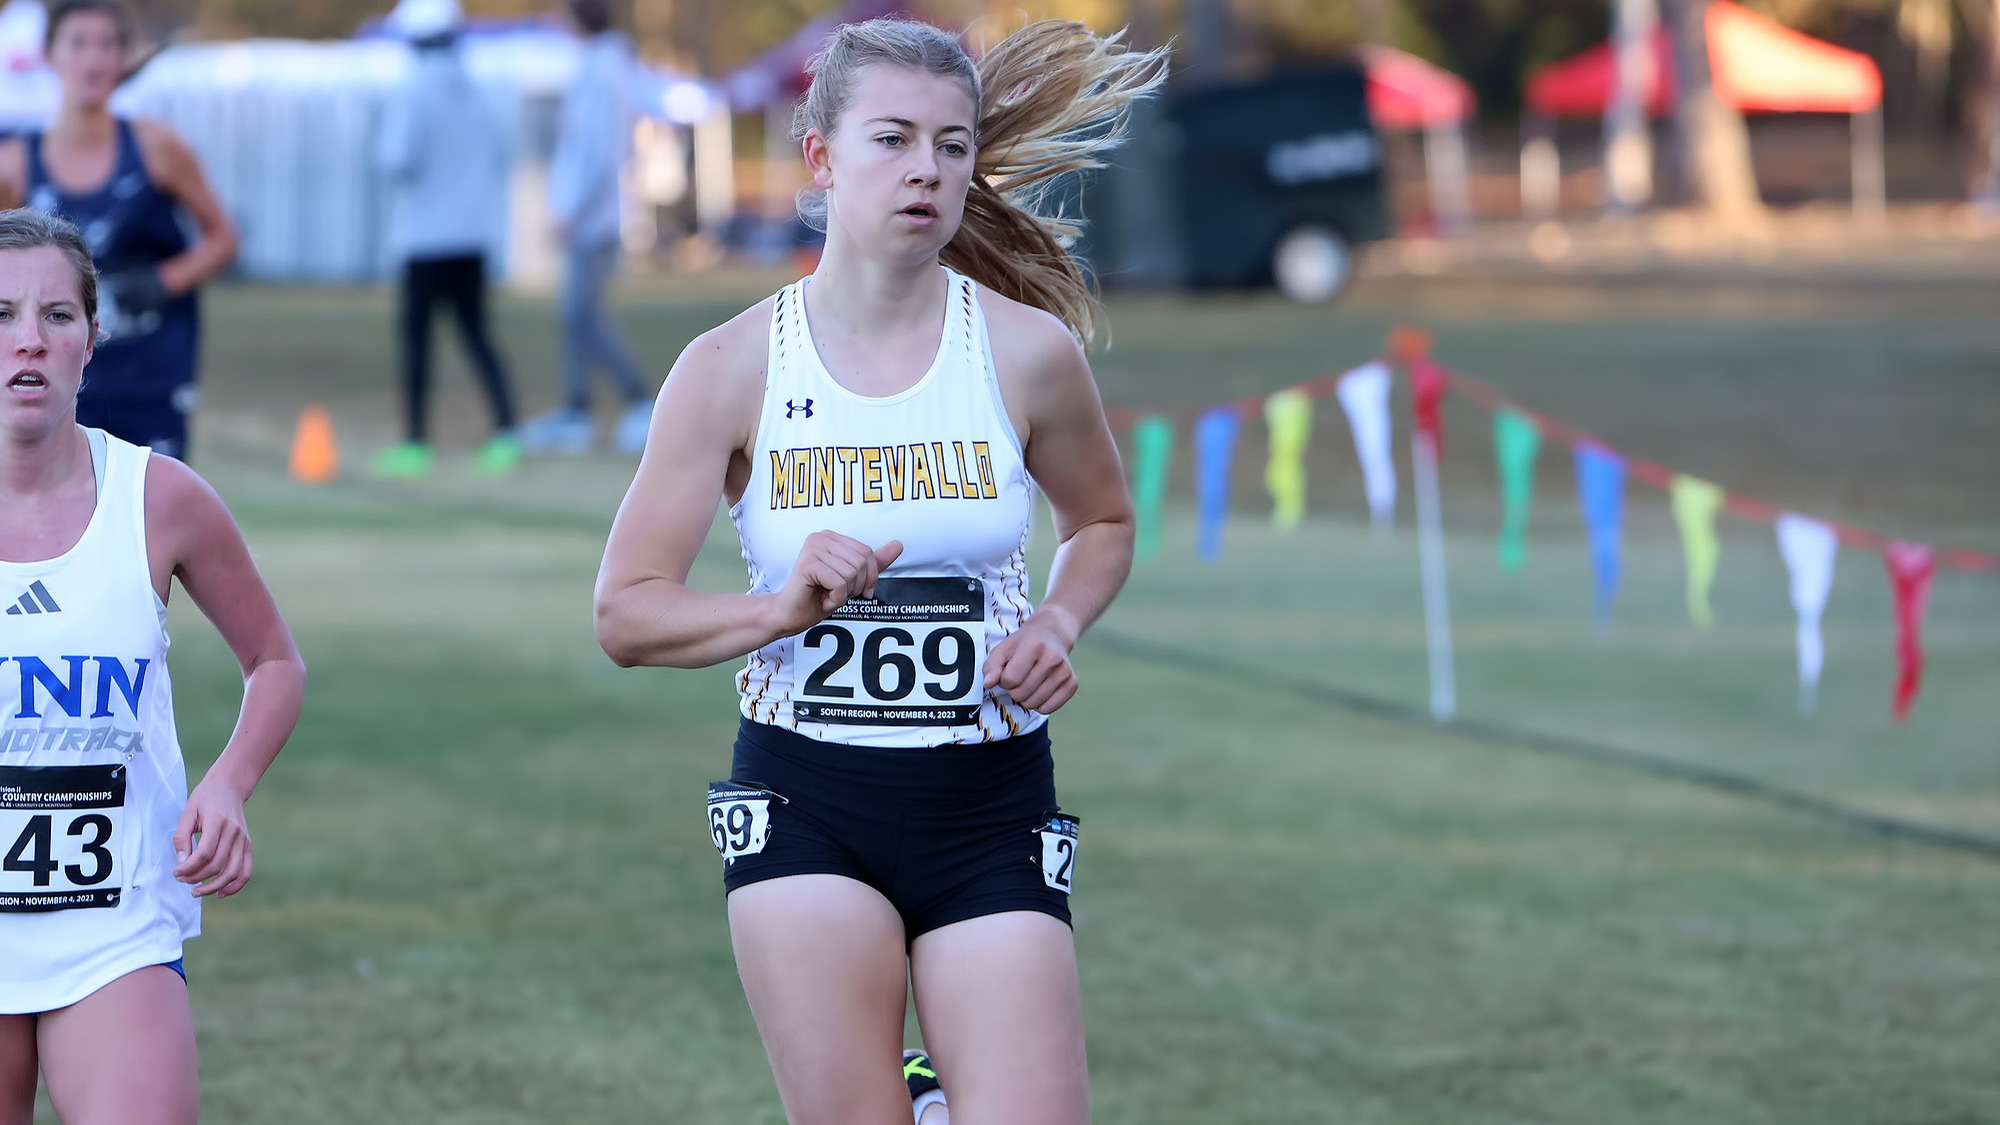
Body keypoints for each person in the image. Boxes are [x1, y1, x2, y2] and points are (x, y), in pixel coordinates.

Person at [593, 18, 1165, 1124]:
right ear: (819, 157)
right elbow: (626, 614)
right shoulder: (726, 369)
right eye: (893, 139)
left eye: (952, 147)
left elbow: (1102, 521)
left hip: (989, 802)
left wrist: (1056, 622)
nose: (926, 171)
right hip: (807, 799)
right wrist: (778, 606)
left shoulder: (1023, 351)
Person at [0, 208, 305, 1123]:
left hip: (114, 924)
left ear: (93, 341)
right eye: (1, 313)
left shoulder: (160, 498)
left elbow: (275, 662)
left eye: (58, 316)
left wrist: (227, 784)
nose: (29, 339)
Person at [0, 0, 236, 463]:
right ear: (50, 56)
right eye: (79, 43)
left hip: (152, 369)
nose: (93, 58)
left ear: (124, 59)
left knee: (151, 517)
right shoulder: (15, 163)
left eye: (108, 45)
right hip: (59, 377)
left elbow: (223, 238)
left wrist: (163, 282)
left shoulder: (158, 147)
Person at [370, 0, 523, 479]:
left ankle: (416, 441)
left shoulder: (413, 90)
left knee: (417, 340)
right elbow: (502, 152)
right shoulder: (477, 90)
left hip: (424, 238)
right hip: (472, 234)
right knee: (477, 334)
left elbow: (396, 159)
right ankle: (505, 431)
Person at [517, 0, 652, 457]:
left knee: (580, 313)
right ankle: (579, 407)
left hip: (592, 218)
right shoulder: (605, 66)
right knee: (577, 315)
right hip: (595, 214)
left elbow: (595, 153)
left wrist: (569, 209)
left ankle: (635, 400)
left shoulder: (600, 72)